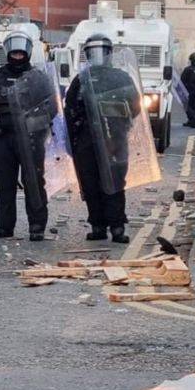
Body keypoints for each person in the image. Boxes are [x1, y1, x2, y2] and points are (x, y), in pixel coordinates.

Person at [0, 31, 55, 242]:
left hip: (30, 139)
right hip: (4, 138)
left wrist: (40, 128)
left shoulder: (38, 78)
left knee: (33, 182)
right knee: (4, 183)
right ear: (8, 54)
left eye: (21, 54)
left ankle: (37, 226)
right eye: (15, 54)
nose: (18, 57)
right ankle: (5, 226)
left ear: (27, 53)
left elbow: (51, 107)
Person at [64, 34, 142, 244]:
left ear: (109, 53)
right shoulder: (81, 80)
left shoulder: (121, 78)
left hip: (113, 137)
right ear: (87, 55)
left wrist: (116, 119)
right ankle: (97, 225)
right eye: (93, 52)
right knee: (90, 182)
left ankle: (117, 227)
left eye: (101, 52)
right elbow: (69, 110)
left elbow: (135, 106)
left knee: (115, 181)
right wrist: (70, 141)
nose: (98, 56)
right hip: (86, 139)